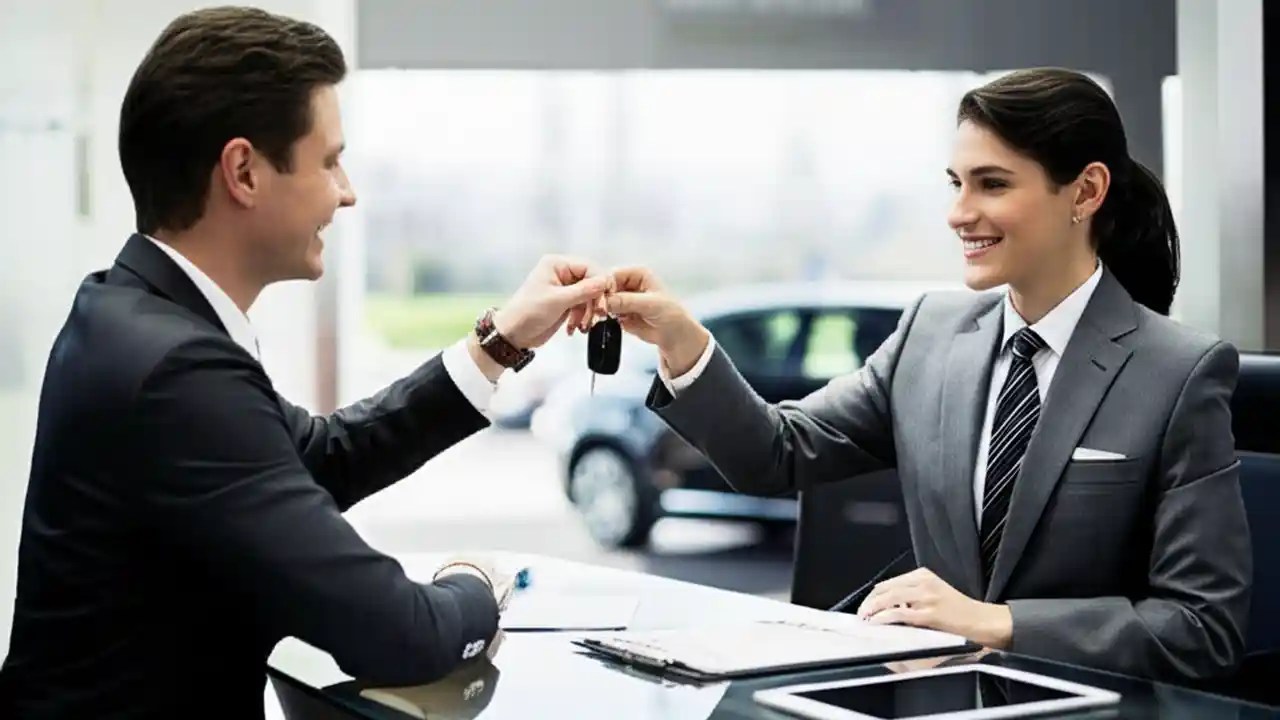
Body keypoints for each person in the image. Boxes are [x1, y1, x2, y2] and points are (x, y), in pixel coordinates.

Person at [0, 7, 609, 719]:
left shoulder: (125, 313)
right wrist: (477, 584)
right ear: (244, 172)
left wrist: (501, 340)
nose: (346, 192)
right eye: (328, 160)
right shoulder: (176, 372)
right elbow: (399, 634)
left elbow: (320, 455)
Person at [602, 68, 1251, 681]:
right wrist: (683, 345)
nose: (958, 212)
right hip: (928, 697)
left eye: (992, 184)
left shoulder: (1178, 372)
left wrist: (998, 624)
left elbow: (1202, 627)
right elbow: (777, 454)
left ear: (1085, 191)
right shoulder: (929, 335)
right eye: (955, 182)